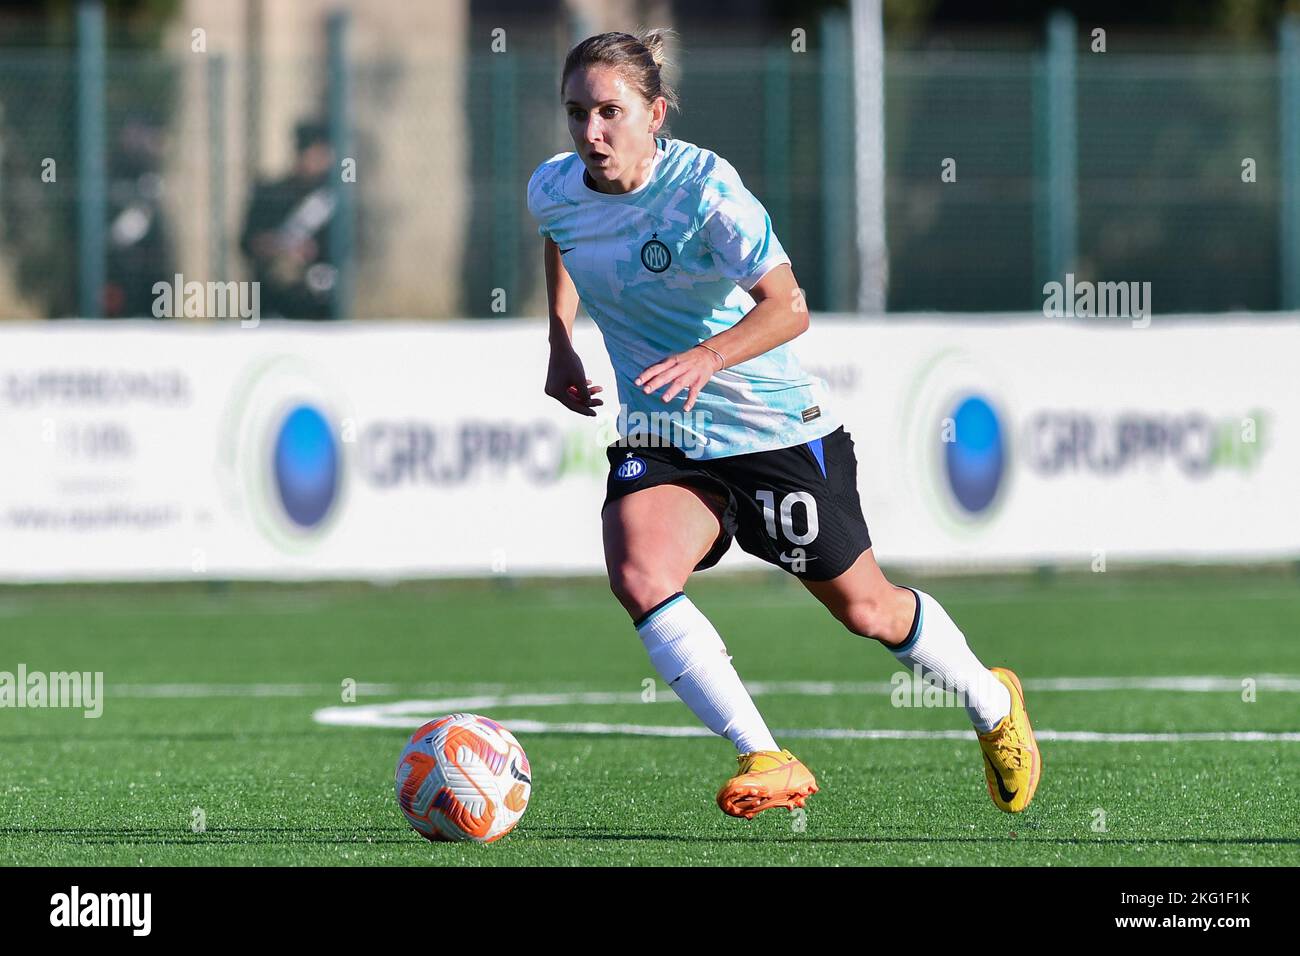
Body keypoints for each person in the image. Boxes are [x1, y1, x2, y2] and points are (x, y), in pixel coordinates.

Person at [527, 29, 1041, 820]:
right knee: (638, 572)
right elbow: (562, 239)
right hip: (665, 433)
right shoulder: (555, 186)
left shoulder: (706, 191)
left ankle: (990, 701)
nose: (590, 132)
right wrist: (561, 339)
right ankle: (764, 755)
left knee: (868, 611)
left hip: (773, 429)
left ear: (654, 113)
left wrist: (708, 356)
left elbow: (789, 307)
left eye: (609, 111)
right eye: (576, 113)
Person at [240, 120, 338, 319]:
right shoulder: (270, 194)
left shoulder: (333, 201)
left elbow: (348, 253)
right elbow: (245, 243)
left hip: (318, 308)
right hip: (271, 301)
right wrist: (278, 247)